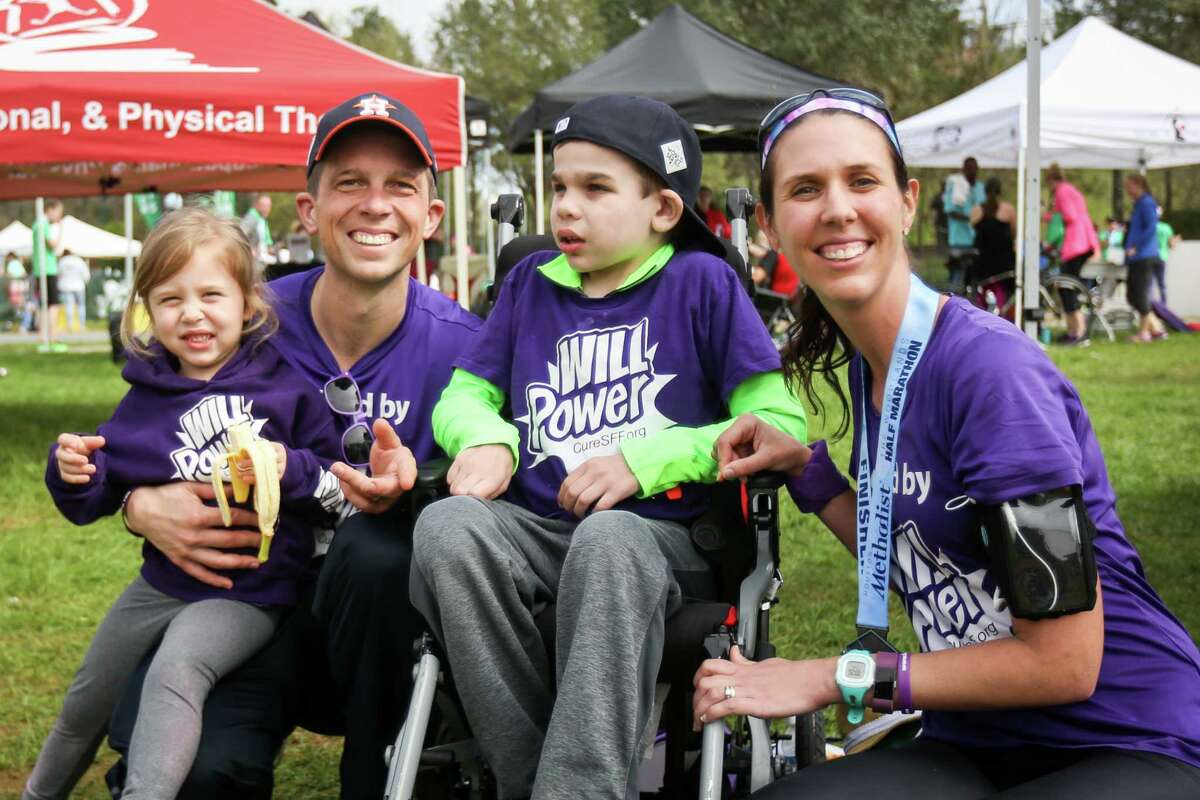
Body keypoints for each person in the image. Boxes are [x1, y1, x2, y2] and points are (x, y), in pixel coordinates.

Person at [689, 86, 1200, 799]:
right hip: (974, 735)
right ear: (771, 226)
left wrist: (827, 677)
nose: (838, 208)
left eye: (861, 180)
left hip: (1123, 732)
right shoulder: (880, 371)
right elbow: (918, 552)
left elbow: (1064, 663)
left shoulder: (990, 374)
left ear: (906, 202)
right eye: (807, 189)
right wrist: (809, 471)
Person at [408, 94, 808, 799]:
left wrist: (645, 460)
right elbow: (464, 395)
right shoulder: (530, 287)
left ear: (661, 209)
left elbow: (777, 422)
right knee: (445, 526)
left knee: (611, 539)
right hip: (536, 531)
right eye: (559, 187)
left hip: (664, 538)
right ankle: (544, 781)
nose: (566, 208)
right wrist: (488, 439)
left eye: (595, 189)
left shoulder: (701, 282)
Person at [110, 92, 481, 799]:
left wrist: (415, 489)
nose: (375, 205)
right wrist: (138, 502)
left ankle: (386, 771)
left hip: (388, 631)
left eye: (400, 185)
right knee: (191, 774)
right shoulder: (239, 319)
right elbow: (145, 422)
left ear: (430, 218)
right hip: (247, 606)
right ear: (308, 211)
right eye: (349, 182)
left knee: (377, 551)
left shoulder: (469, 348)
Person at [23, 207, 350, 800]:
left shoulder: (284, 387)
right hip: (160, 583)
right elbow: (99, 490)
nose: (192, 313)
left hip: (248, 590)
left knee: (178, 670)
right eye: (170, 299)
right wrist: (71, 472)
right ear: (148, 306)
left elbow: (334, 483)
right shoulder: (146, 396)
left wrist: (288, 466)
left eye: (210, 295)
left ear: (248, 302)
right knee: (88, 694)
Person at [1046, 163, 1100, 344]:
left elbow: (1069, 216)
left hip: (1075, 245)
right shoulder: (1072, 190)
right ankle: (1073, 331)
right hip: (1085, 242)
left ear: (1051, 180)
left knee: (1067, 287)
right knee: (1068, 287)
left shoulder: (1062, 191)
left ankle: (1079, 332)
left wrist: (1050, 215)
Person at [1123, 174, 1167, 343]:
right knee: (1131, 296)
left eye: (1129, 186)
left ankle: (1144, 333)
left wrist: (1136, 247)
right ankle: (1155, 328)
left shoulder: (1147, 202)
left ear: (1138, 184)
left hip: (1144, 256)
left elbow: (1151, 227)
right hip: (1136, 257)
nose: (1127, 190)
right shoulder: (1138, 204)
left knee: (1140, 294)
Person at [970, 179, 1015, 314]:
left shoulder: (976, 210)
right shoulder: (1008, 210)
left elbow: (973, 230)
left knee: (984, 296)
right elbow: (1014, 233)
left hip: (984, 263)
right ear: (1000, 192)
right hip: (1003, 262)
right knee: (1002, 295)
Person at [941, 157, 984, 291]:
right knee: (957, 280)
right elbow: (950, 210)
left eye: (974, 169)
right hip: (959, 240)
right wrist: (970, 218)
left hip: (976, 239)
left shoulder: (980, 187)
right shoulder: (955, 184)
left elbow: (983, 208)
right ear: (963, 170)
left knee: (975, 279)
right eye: (969, 169)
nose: (972, 172)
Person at [31, 198, 64, 344]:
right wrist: (61, 231)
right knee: (52, 304)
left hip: (39, 269)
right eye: (58, 213)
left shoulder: (35, 225)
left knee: (42, 303)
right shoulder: (43, 225)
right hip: (48, 268)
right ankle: (53, 334)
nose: (59, 217)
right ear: (50, 210)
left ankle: (42, 334)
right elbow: (53, 245)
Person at [56, 248, 90, 333]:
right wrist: (85, 282)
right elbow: (86, 274)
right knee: (81, 306)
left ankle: (70, 325)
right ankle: (82, 325)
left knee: (69, 306)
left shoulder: (62, 261)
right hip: (79, 286)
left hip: (66, 286)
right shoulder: (79, 260)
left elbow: (58, 274)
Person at [241, 193, 274, 269]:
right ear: (257, 206)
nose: (267, 209)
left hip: (260, 260)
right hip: (253, 263)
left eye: (268, 206)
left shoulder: (261, 219)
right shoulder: (252, 217)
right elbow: (241, 233)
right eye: (264, 206)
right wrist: (249, 250)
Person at [1154, 213, 1182, 304]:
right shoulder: (1166, 227)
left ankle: (1147, 309)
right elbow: (1171, 245)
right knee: (1161, 283)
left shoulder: (1147, 227)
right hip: (1162, 258)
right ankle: (1164, 307)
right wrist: (1176, 240)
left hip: (1148, 258)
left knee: (1148, 284)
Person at [4, 251, 27, 329]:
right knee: (20, 305)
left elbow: (9, 275)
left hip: (14, 286)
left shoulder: (11, 264)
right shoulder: (18, 263)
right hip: (21, 286)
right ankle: (22, 324)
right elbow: (24, 274)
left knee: (13, 305)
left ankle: (11, 323)